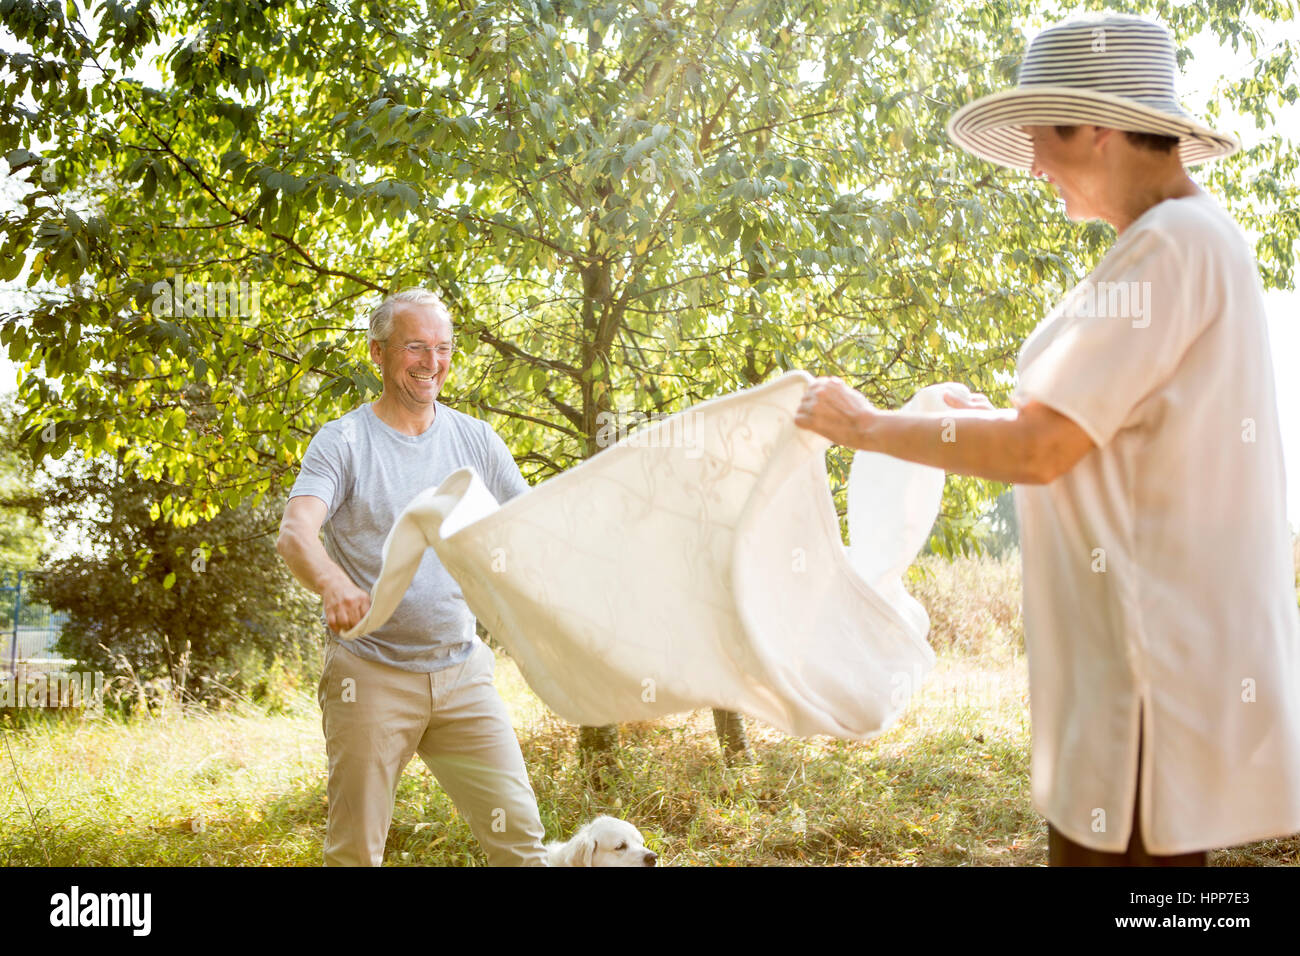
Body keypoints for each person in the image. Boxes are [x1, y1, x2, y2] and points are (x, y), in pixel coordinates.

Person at [795, 13, 1300, 866]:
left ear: (1097, 127)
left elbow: (1040, 451)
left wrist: (867, 428)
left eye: (1039, 139)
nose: (1031, 165)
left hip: (1145, 687)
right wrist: (982, 416)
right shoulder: (1181, 245)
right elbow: (1095, 441)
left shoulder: (1170, 249)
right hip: (1142, 674)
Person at [276, 288, 548, 866]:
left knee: (521, 843)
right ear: (378, 352)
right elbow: (296, 533)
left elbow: (532, 528)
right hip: (370, 677)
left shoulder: (474, 439)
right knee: (355, 854)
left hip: (462, 674)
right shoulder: (343, 442)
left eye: (443, 348)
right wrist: (332, 583)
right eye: (416, 347)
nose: (432, 362)